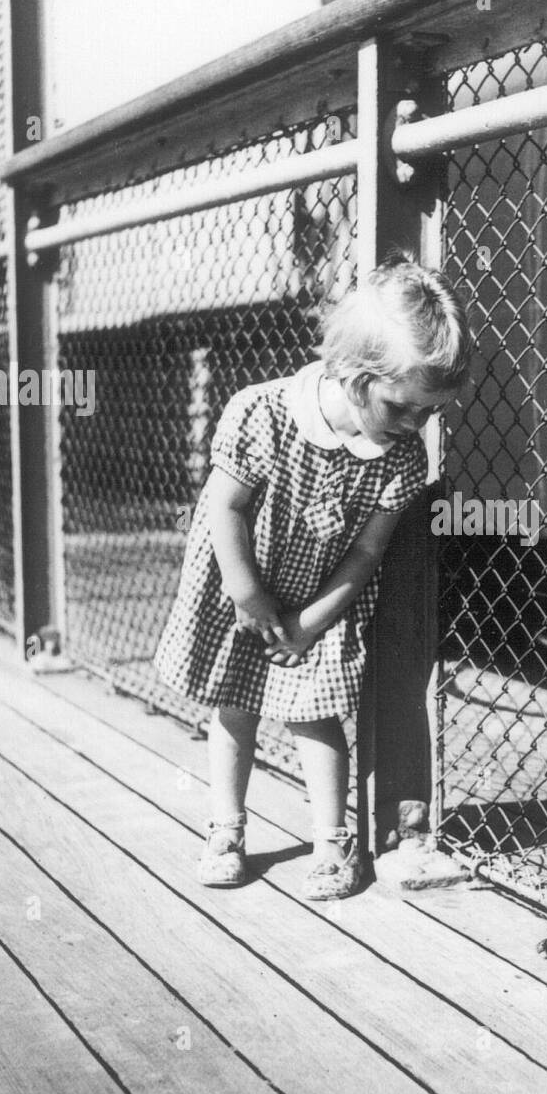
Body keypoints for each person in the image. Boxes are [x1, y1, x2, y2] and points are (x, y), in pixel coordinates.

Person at [155, 255, 471, 899]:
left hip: (320, 596)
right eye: (404, 407)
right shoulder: (262, 414)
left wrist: (306, 622)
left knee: (318, 713)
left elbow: (364, 555)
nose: (418, 426)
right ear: (355, 379)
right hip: (240, 581)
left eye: (430, 413)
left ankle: (332, 845)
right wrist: (247, 595)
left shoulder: (400, 459)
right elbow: (226, 506)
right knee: (235, 706)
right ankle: (226, 830)